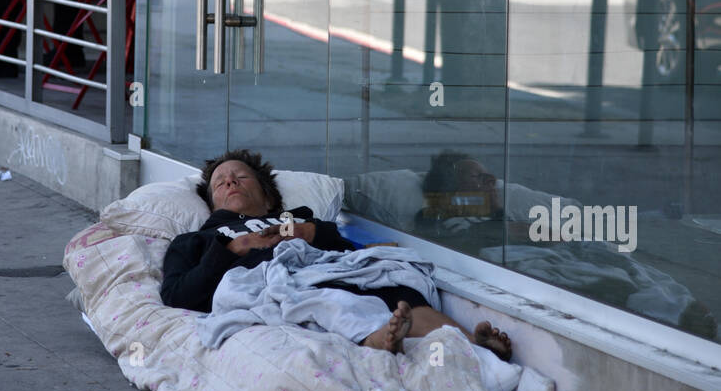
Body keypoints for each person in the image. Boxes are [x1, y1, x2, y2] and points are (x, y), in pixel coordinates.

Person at [161, 149, 512, 357]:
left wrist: (311, 231)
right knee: (327, 298)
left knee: (397, 284)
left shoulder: (296, 218)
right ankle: (380, 338)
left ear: (268, 197)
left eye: (241, 177)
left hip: (327, 267)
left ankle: (469, 344)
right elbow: (178, 295)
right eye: (221, 182)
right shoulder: (200, 240)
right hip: (278, 282)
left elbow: (345, 252)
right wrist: (229, 250)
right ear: (210, 203)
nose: (231, 182)